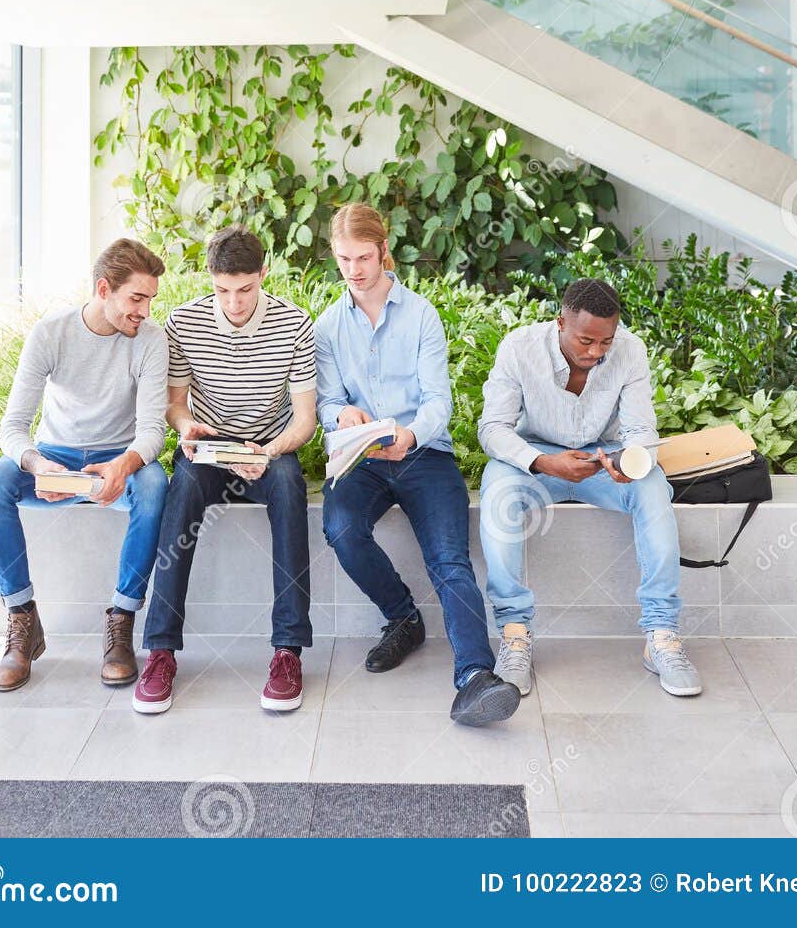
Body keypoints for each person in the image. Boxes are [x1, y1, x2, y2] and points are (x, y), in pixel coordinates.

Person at [315, 203, 520, 726]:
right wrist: (342, 415)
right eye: (344, 259)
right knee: (340, 528)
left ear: (384, 251)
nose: (354, 270)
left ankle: (475, 676)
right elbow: (325, 402)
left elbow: (438, 402)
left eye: (364, 257)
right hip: (362, 457)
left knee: (449, 559)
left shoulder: (421, 315)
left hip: (424, 452)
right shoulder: (329, 326)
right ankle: (403, 619)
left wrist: (408, 434)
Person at [478, 276, 702, 699]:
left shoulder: (630, 351)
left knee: (653, 489)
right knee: (498, 495)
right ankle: (514, 634)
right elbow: (492, 429)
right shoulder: (519, 347)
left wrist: (631, 462)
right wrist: (543, 461)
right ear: (560, 321)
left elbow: (640, 430)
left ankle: (662, 635)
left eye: (606, 342)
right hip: (536, 460)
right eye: (586, 341)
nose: (596, 352)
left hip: (604, 460)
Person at [133, 226, 317, 716]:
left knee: (289, 487)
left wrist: (267, 451)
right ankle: (161, 651)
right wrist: (189, 426)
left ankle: (287, 651)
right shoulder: (184, 322)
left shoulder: (294, 324)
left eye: (245, 289)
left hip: (271, 446)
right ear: (210, 280)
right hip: (208, 448)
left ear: (263, 275)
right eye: (222, 290)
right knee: (184, 488)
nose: (234, 303)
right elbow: (174, 406)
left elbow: (305, 420)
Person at [0, 238, 170, 692]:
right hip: (55, 454)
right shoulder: (51, 333)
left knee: (155, 485)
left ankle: (121, 620)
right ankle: (22, 618)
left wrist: (124, 465)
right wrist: (38, 463)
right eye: (135, 299)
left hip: (118, 457)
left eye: (149, 300)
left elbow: (152, 432)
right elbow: (13, 427)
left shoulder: (150, 339)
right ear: (104, 289)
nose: (143, 311)